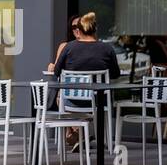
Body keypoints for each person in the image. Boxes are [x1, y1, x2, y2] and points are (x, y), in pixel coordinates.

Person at [51, 12, 120, 150]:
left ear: (80, 30)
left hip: (73, 100)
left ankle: (78, 132)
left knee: (61, 96)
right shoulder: (107, 49)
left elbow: (57, 72)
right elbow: (115, 74)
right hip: (99, 101)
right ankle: (83, 134)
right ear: (95, 30)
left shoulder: (69, 47)